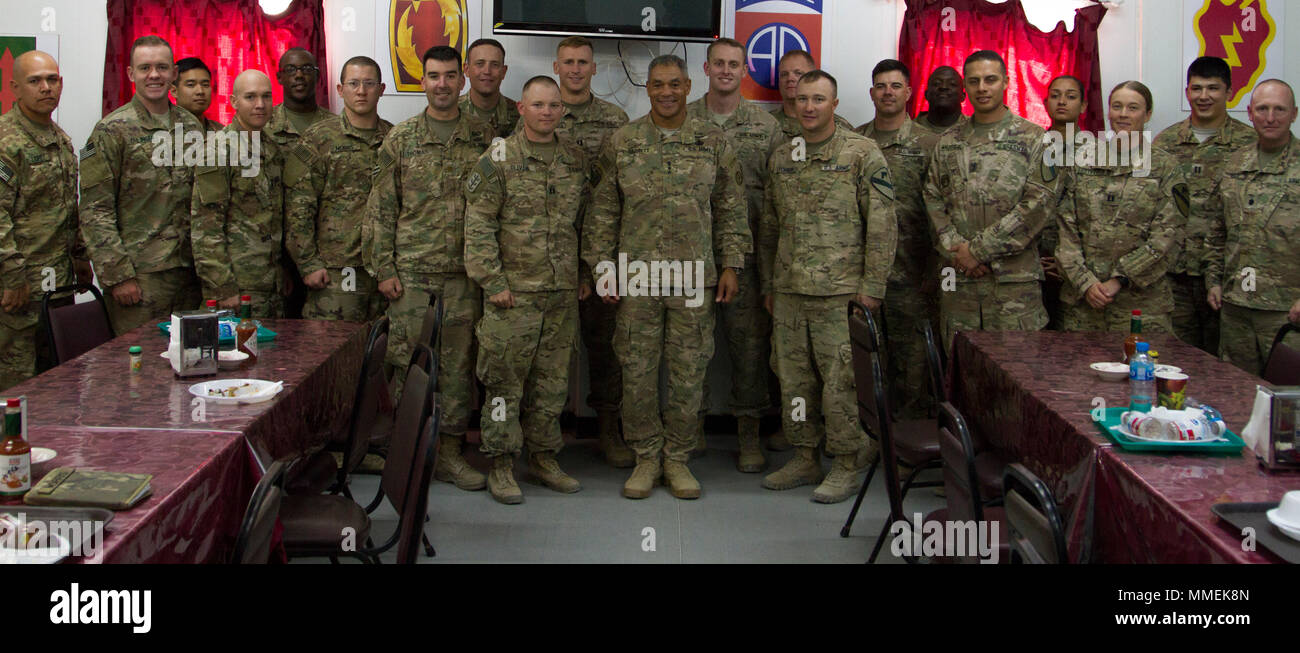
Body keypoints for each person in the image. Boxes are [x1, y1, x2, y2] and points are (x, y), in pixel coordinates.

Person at [582, 54, 749, 500]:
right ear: (648, 89)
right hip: (636, 277)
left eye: (675, 84)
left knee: (688, 371)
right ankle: (645, 456)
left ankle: (677, 458)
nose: (667, 92)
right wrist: (602, 269)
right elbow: (602, 210)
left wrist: (732, 265)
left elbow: (732, 207)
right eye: (658, 85)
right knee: (636, 370)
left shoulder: (713, 141)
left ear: (689, 86)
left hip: (694, 276)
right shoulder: (623, 141)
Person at [760, 69, 897, 504]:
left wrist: (872, 288)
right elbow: (769, 226)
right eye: (802, 99)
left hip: (841, 294)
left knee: (841, 383)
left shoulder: (862, 153)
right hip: (789, 291)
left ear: (835, 105)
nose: (809, 107)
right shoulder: (782, 156)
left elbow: (882, 225)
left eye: (819, 99)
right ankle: (804, 454)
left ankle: (846, 460)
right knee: (794, 379)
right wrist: (768, 283)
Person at [367, 45, 496, 492]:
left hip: (464, 277)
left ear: (462, 81)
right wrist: (383, 267)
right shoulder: (400, 140)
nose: (442, 84)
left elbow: (498, 210)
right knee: (409, 366)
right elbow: (382, 209)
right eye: (433, 76)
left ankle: (450, 455)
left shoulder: (485, 140)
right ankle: (407, 452)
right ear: (422, 81)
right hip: (412, 277)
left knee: (459, 368)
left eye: (449, 76)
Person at [464, 76, 589, 504]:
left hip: (559, 294)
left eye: (554, 106)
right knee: (503, 383)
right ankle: (500, 463)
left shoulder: (574, 160)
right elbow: (478, 224)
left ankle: (543, 458)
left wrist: (585, 275)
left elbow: (585, 223)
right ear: (521, 108)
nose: (547, 112)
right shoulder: (497, 157)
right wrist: (493, 282)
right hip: (512, 295)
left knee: (552, 384)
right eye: (538, 105)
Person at [684, 37, 781, 471]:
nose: (726, 70)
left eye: (734, 64)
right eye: (718, 63)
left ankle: (748, 437)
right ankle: (691, 430)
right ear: (705, 70)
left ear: (745, 71)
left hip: (747, 257)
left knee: (748, 348)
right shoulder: (681, 121)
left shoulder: (767, 126)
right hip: (691, 257)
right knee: (691, 348)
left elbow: (779, 197)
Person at [923, 50, 1062, 349]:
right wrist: (958, 252)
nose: (982, 88)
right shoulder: (948, 142)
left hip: (1013, 288)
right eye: (974, 81)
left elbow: (1039, 204)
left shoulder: (1037, 139)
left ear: (1006, 82)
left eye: (990, 80)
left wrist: (979, 250)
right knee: (962, 378)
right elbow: (932, 199)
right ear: (965, 88)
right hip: (958, 283)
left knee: (1019, 378)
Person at [80, 35, 203, 335]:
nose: (154, 75)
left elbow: (202, 199)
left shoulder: (191, 126)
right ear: (130, 74)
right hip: (140, 278)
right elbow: (95, 210)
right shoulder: (110, 130)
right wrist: (118, 276)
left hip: (189, 273)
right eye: (145, 67)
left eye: (162, 67)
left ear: (174, 74)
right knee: (137, 371)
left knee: (192, 363)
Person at [552, 35, 634, 468]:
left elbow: (623, 190)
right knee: (546, 349)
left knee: (607, 348)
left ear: (594, 68)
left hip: (603, 253)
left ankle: (609, 430)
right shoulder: (541, 113)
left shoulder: (615, 119)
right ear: (556, 66)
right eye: (569, 62)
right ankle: (543, 438)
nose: (576, 69)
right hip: (551, 254)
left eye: (583, 62)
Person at [1056, 81, 1186, 333]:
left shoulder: (1165, 167)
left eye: (1133, 107)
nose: (1123, 114)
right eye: (1117, 106)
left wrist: (1119, 279)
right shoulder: (1081, 161)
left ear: (1147, 114)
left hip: (1141, 307)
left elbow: (1167, 237)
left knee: (1142, 371)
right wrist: (1086, 283)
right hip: (1083, 304)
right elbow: (1065, 230)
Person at [0, 51, 92, 390]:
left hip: (56, 282)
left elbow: (69, 206)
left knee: (55, 379)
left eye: (52, 79)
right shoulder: (6, 141)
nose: (46, 87)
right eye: (35, 81)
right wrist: (12, 276)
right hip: (18, 287)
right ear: (14, 87)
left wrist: (80, 257)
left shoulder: (59, 139)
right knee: (17, 383)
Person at [1153, 56, 1256, 354]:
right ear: (1187, 92)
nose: (1204, 96)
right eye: (1196, 88)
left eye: (1213, 88)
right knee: (1175, 360)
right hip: (1174, 274)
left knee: (1227, 364)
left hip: (1227, 277)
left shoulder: (1249, 144)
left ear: (1230, 93)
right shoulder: (1166, 142)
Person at [855, 59, 939, 420]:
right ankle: (872, 439)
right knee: (868, 360)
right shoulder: (855, 142)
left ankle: (910, 442)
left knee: (913, 366)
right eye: (881, 86)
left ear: (908, 92)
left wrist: (936, 269)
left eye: (895, 86)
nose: (887, 92)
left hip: (913, 274)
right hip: (862, 274)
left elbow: (942, 211)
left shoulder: (930, 143)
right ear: (872, 93)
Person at [284, 56, 392, 322]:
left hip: (383, 270)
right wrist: (308, 263)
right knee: (332, 350)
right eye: (353, 83)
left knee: (378, 351)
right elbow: (299, 206)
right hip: (335, 270)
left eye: (369, 83)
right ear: (340, 90)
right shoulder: (319, 139)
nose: (362, 91)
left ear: (381, 89)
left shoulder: (395, 139)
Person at [1206, 79, 1300, 374]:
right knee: (1237, 394)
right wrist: (1213, 280)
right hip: (1236, 308)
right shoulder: (1234, 163)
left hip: (1286, 311)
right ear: (1249, 112)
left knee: (1289, 404)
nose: (1270, 117)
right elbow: (1216, 229)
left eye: (1279, 109)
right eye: (1262, 109)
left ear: (1294, 114)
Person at [191, 70, 285, 317]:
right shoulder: (218, 150)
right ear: (234, 102)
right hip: (235, 288)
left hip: (270, 286)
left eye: (266, 97)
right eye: (250, 97)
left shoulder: (272, 148)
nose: (260, 105)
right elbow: (205, 228)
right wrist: (222, 287)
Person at [267, 47, 334, 320]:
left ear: (318, 77)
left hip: (324, 253)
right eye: (291, 70)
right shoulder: (264, 125)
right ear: (279, 77)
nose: (299, 76)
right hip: (274, 253)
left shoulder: (335, 127)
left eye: (307, 69)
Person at [1041, 74, 1087, 330]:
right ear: (1046, 102)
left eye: (1071, 96)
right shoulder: (1030, 145)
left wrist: (1068, 262)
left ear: (1083, 106)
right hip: (1035, 260)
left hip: (1079, 263)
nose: (1062, 102)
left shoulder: (1097, 152)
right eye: (1056, 95)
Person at [770, 50, 853, 142]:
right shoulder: (765, 123)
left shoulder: (840, 127)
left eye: (798, 73)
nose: (790, 79)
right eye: (784, 74)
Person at [458, 38, 519, 135]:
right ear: (466, 70)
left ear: (503, 72)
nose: (487, 71)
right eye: (480, 64)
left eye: (494, 65)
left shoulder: (521, 115)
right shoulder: (451, 112)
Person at [912, 66, 968, 135]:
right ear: (926, 94)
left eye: (952, 84)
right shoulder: (907, 131)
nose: (944, 87)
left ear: (963, 96)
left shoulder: (976, 129)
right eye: (937, 83)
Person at [172, 57, 223, 133]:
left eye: (205, 85)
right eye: (191, 85)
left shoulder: (221, 132)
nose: (200, 91)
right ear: (174, 91)